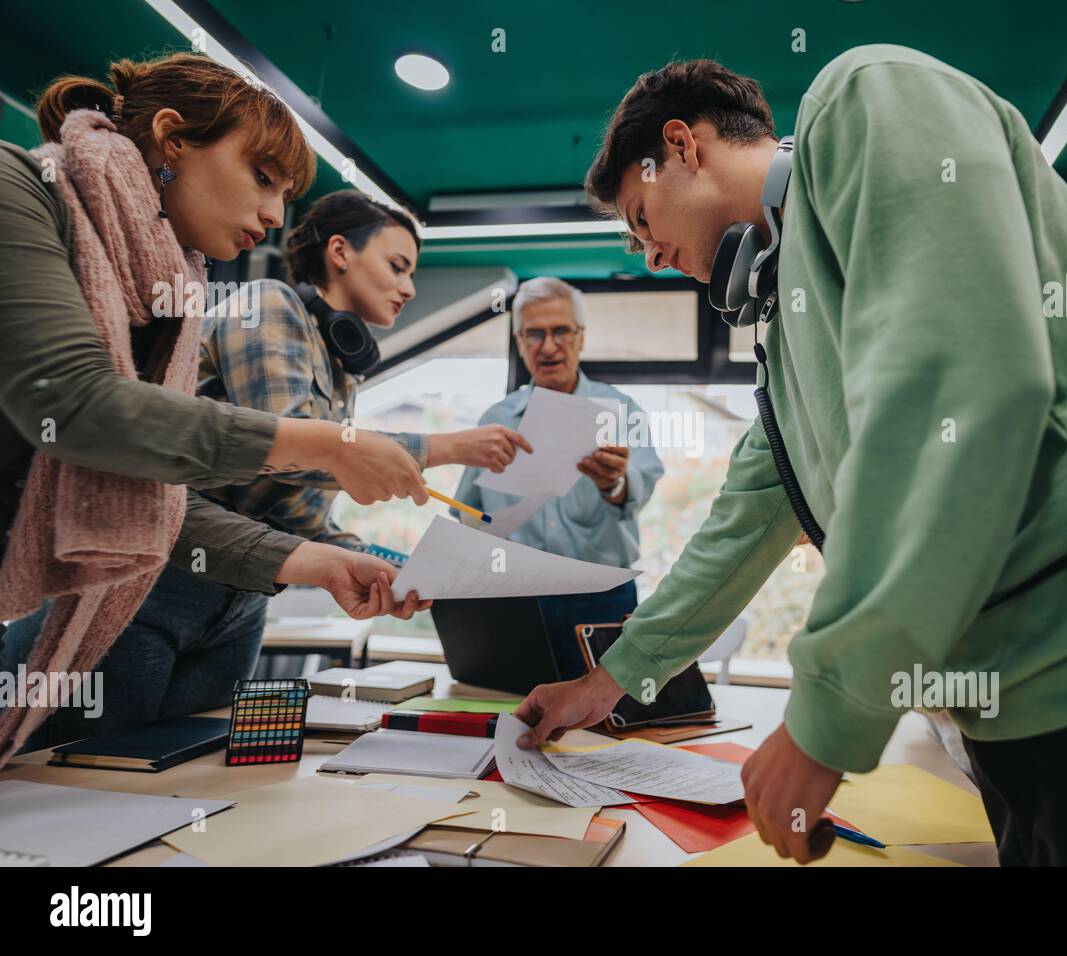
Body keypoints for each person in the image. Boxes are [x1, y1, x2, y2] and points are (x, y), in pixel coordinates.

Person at [511, 47, 1067, 865]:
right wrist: (607, 681)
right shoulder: (787, 335)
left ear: (681, 145)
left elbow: (958, 388)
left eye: (643, 220)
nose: (650, 255)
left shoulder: (866, 97)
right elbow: (744, 523)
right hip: (1019, 721)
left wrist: (824, 712)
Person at [0, 53, 431, 763]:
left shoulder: (175, 290)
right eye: (262, 177)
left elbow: (161, 505)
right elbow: (75, 405)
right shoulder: (21, 184)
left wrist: (316, 562)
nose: (272, 212)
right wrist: (328, 445)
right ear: (172, 138)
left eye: (286, 193)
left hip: (203, 587)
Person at [1, 190, 532, 750]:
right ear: (339, 251)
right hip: (159, 586)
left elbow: (292, 514)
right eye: (397, 266)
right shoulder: (270, 304)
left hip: (243, 601)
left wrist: (377, 563)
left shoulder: (339, 369)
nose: (409, 287)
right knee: (84, 776)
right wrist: (444, 446)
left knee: (187, 774)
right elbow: (285, 444)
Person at [452, 277, 663, 678]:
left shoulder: (623, 410)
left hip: (601, 598)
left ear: (580, 337)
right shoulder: (496, 420)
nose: (548, 346)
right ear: (519, 340)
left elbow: (643, 483)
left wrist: (613, 484)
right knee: (515, 709)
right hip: (515, 600)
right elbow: (468, 512)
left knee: (607, 722)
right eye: (535, 333)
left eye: (561, 331)